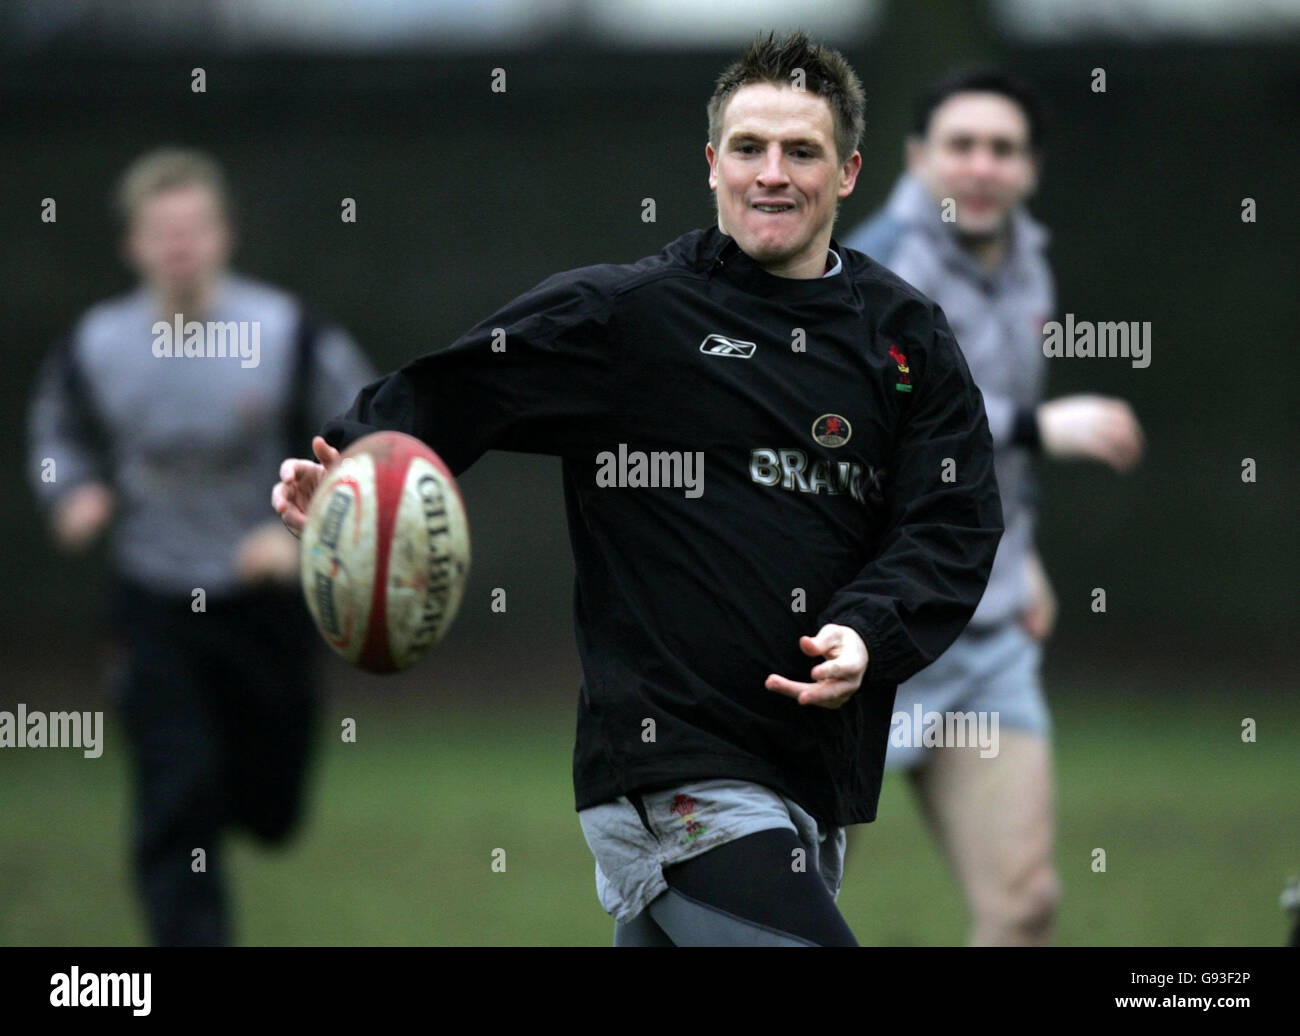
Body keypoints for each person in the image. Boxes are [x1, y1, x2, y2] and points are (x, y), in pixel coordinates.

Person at [273, 31, 1004, 947]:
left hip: (810, 781)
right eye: (748, 149)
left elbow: (954, 515)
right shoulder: (634, 317)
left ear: (849, 171)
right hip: (677, 768)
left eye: (800, 151)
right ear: (711, 164)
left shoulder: (905, 339)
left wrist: (868, 627)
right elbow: (467, 385)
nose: (770, 173)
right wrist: (351, 458)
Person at [27, 147, 377, 946]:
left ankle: (243, 788)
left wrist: (305, 534)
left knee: (271, 811)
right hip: (153, 602)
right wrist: (68, 491)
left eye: (194, 227)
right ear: (133, 245)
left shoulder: (287, 333)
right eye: (161, 231)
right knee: (175, 793)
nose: (179, 245)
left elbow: (369, 431)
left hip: (263, 602)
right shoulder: (97, 347)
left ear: (224, 235)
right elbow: (55, 434)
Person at [843, 69, 1145, 945]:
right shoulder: (871, 267)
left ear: (1030, 169)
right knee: (785, 917)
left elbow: (990, 468)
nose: (981, 167)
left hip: (984, 634)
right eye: (961, 146)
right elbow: (895, 427)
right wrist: (1044, 425)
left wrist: (1026, 554)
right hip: (856, 637)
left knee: (1024, 908)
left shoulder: (1027, 260)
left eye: (1002, 149)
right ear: (913, 159)